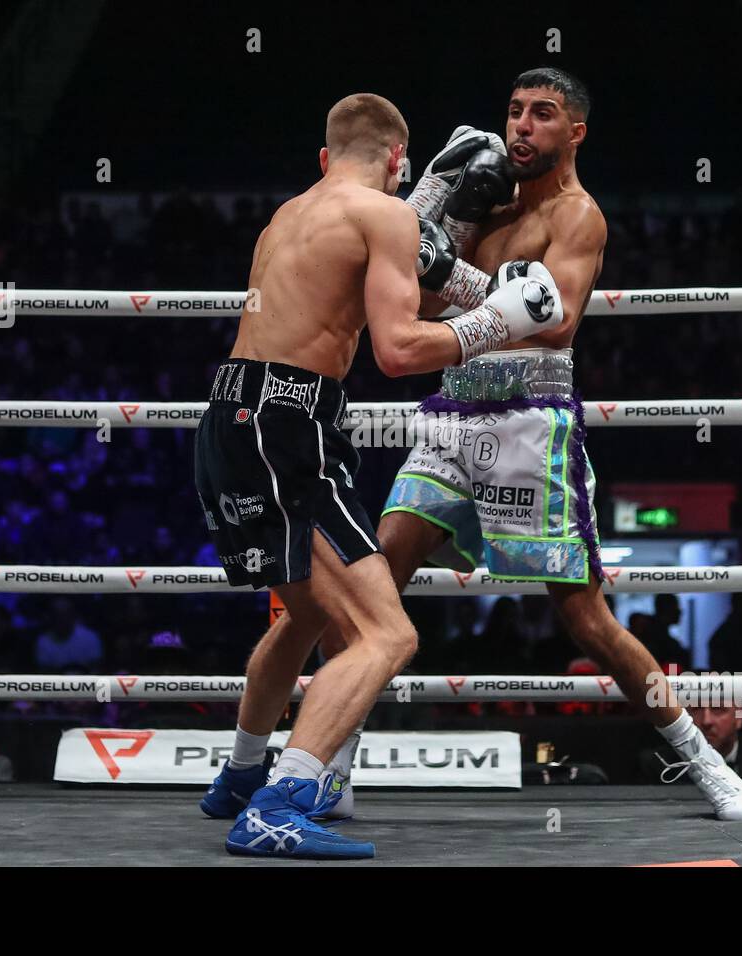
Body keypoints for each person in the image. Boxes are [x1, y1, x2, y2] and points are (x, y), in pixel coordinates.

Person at [205, 69, 742, 827]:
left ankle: (701, 756)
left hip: (530, 423)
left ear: (576, 132)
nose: (522, 127)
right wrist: (447, 220)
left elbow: (556, 320)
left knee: (586, 619)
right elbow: (417, 303)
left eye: (542, 114)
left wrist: (461, 269)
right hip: (448, 420)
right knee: (370, 593)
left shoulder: (579, 217)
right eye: (514, 112)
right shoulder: (485, 201)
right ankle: (325, 771)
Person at [194, 92, 566, 859]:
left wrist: (458, 255)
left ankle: (238, 774)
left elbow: (396, 271)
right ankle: (279, 800)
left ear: (328, 157)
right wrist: (503, 322)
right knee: (385, 634)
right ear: (398, 160)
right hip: (287, 429)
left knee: (302, 614)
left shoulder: (292, 212)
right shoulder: (387, 216)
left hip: (235, 417)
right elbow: (397, 350)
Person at [640, 704, 742, 786]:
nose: (706, 721)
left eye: (718, 709)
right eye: (696, 709)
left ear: (739, 717)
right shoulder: (656, 765)